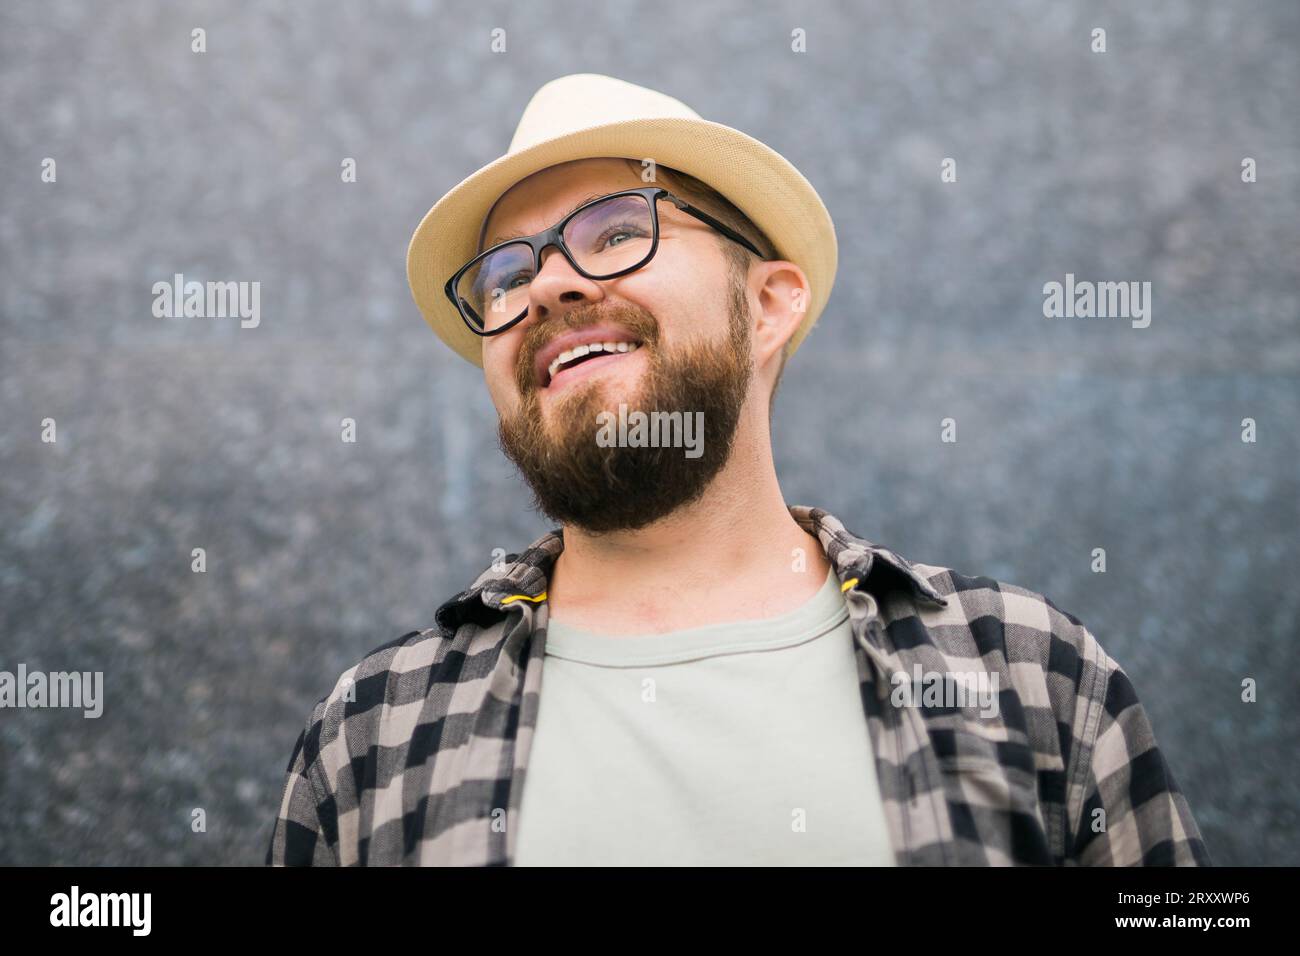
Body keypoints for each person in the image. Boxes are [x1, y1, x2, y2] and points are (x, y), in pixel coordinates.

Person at [267, 73, 1210, 866]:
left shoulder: (1034, 679)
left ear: (767, 306)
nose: (548, 284)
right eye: (506, 279)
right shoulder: (373, 735)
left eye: (615, 230)